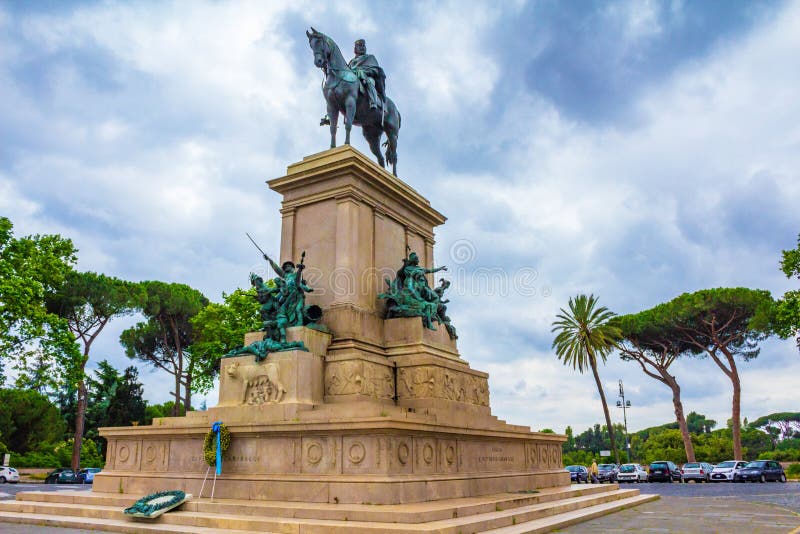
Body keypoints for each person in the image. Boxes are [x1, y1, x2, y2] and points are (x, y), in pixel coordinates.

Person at [348, 39, 386, 109]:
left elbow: (375, 70)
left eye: (363, 45)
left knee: (370, 82)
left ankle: (373, 102)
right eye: (360, 45)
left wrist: (364, 72)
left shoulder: (370, 57)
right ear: (355, 49)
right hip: (353, 78)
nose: (362, 47)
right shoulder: (351, 62)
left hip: (367, 77)